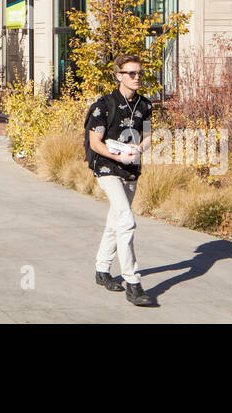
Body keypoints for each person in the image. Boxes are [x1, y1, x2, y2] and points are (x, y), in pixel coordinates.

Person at [84, 53, 155, 307]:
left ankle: (102, 270)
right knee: (126, 220)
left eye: (139, 73)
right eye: (131, 73)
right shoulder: (104, 105)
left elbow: (147, 136)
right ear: (119, 76)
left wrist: (138, 150)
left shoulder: (145, 105)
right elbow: (95, 142)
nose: (137, 78)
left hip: (131, 169)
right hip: (106, 168)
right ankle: (133, 283)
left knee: (116, 220)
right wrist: (118, 154)